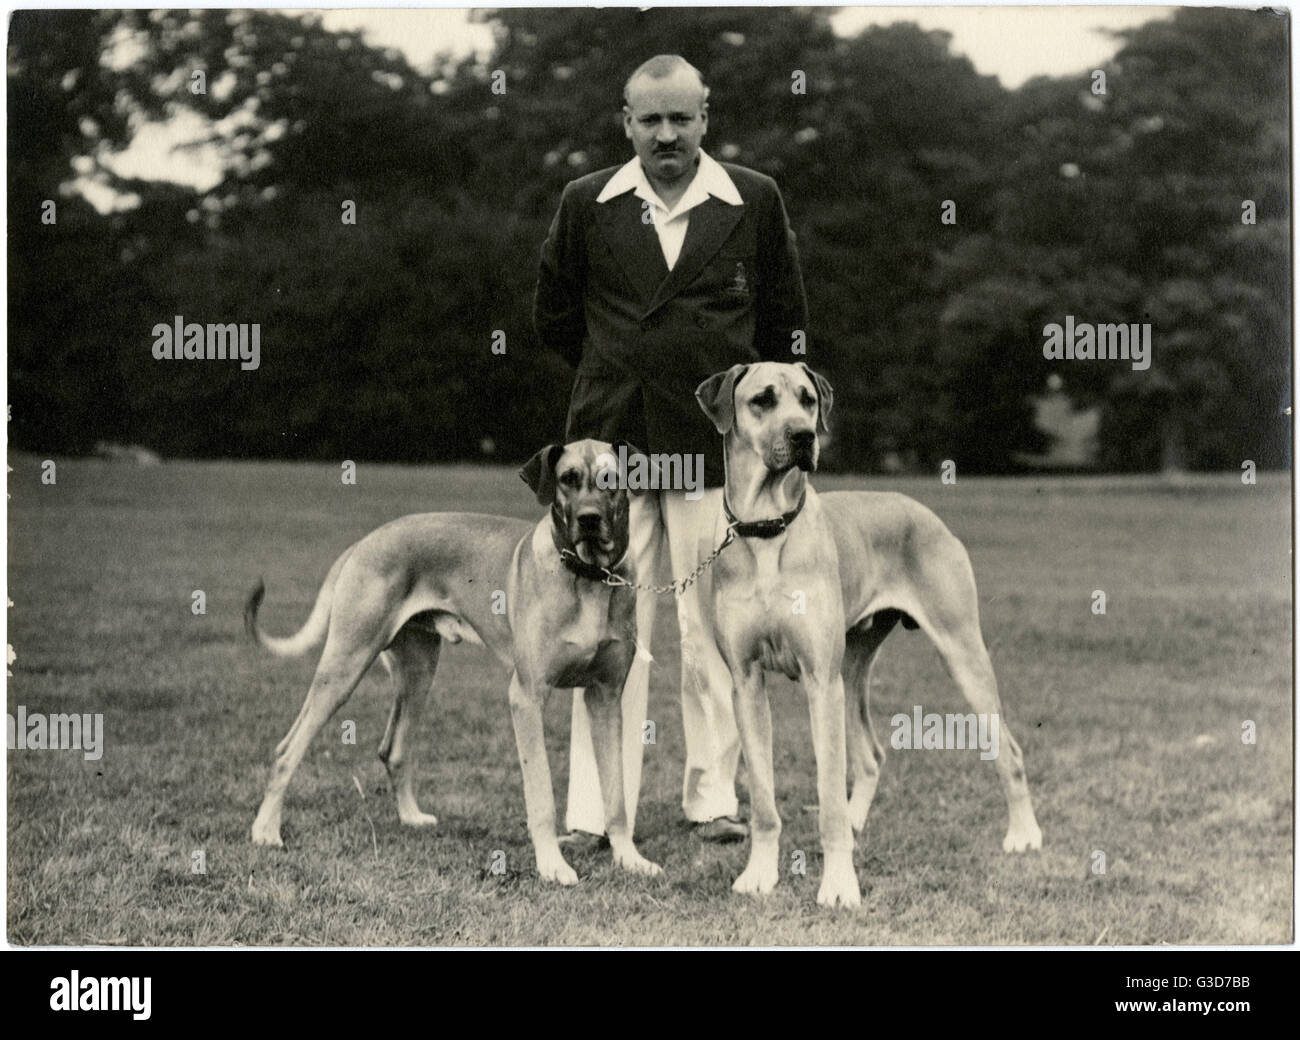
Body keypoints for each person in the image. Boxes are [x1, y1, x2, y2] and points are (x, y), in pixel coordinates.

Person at [533, 54, 809, 844]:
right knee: (610, 630)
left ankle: (715, 798)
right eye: (649, 120)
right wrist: (614, 374)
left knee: (710, 628)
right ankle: (592, 813)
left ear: (705, 119)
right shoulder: (586, 202)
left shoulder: (752, 198)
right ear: (626, 122)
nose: (665, 134)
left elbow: (785, 323)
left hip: (707, 448)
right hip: (611, 456)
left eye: (680, 119)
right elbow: (555, 317)